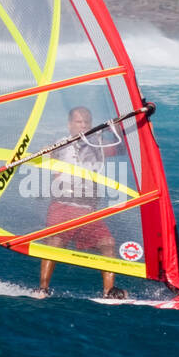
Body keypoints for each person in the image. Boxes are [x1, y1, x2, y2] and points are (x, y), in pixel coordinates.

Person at [38, 106, 127, 298]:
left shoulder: (98, 146)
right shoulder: (60, 144)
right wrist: (44, 154)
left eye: (87, 122)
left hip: (88, 210)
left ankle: (108, 291)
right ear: (70, 125)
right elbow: (44, 159)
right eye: (79, 122)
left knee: (107, 243)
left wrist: (120, 125)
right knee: (55, 242)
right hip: (63, 205)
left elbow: (121, 148)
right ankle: (43, 289)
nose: (84, 125)